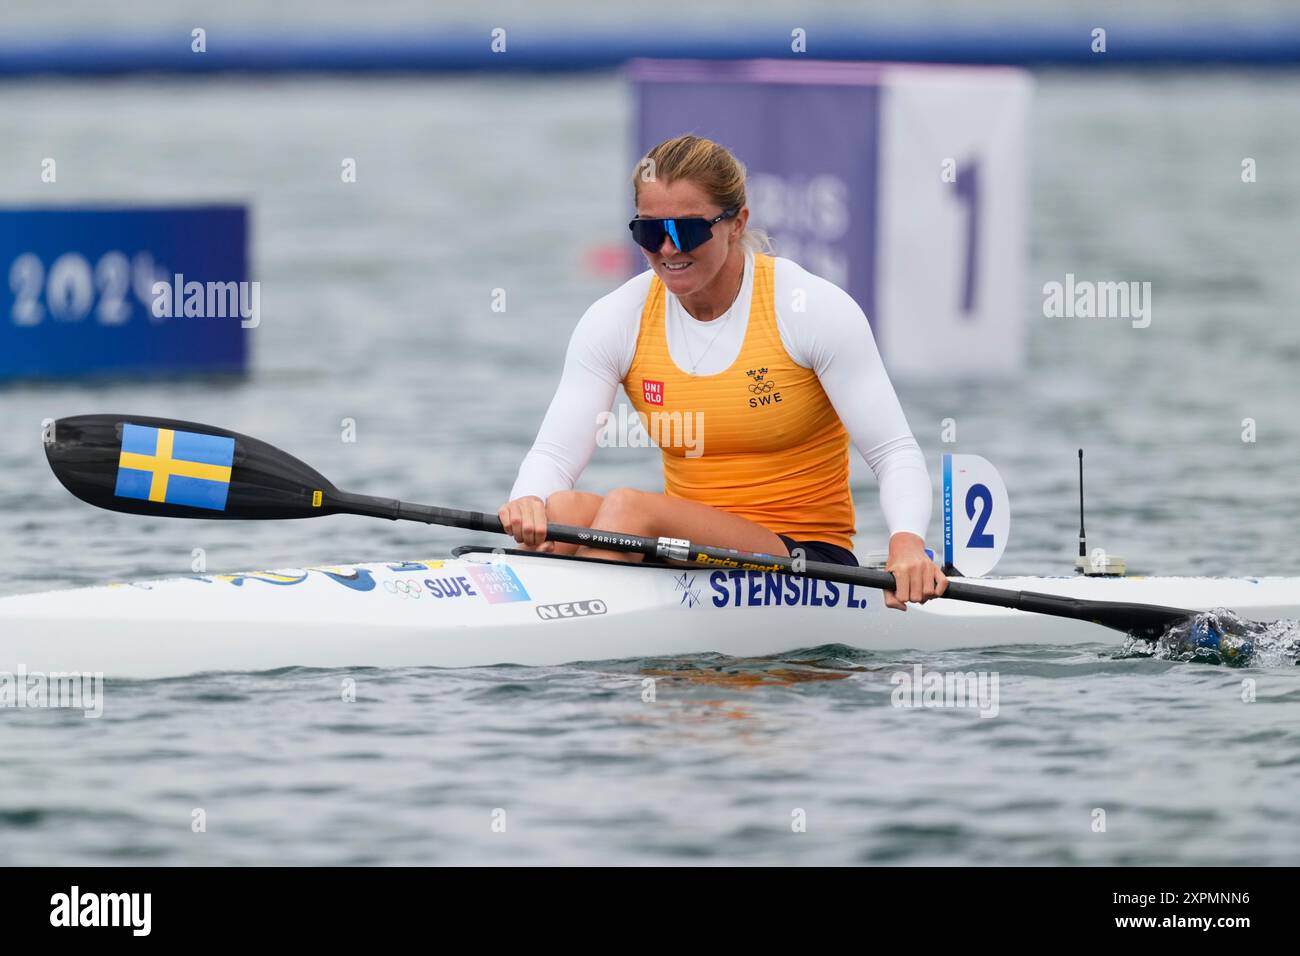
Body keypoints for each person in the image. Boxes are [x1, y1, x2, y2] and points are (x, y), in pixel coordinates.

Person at [498, 134, 946, 609]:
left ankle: (570, 627)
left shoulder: (808, 308)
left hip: (804, 563)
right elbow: (554, 453)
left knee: (628, 507)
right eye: (650, 232)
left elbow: (893, 452)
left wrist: (906, 544)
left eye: (687, 230)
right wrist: (528, 500)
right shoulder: (617, 318)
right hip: (682, 550)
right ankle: (561, 617)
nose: (668, 248)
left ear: (737, 224)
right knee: (559, 510)